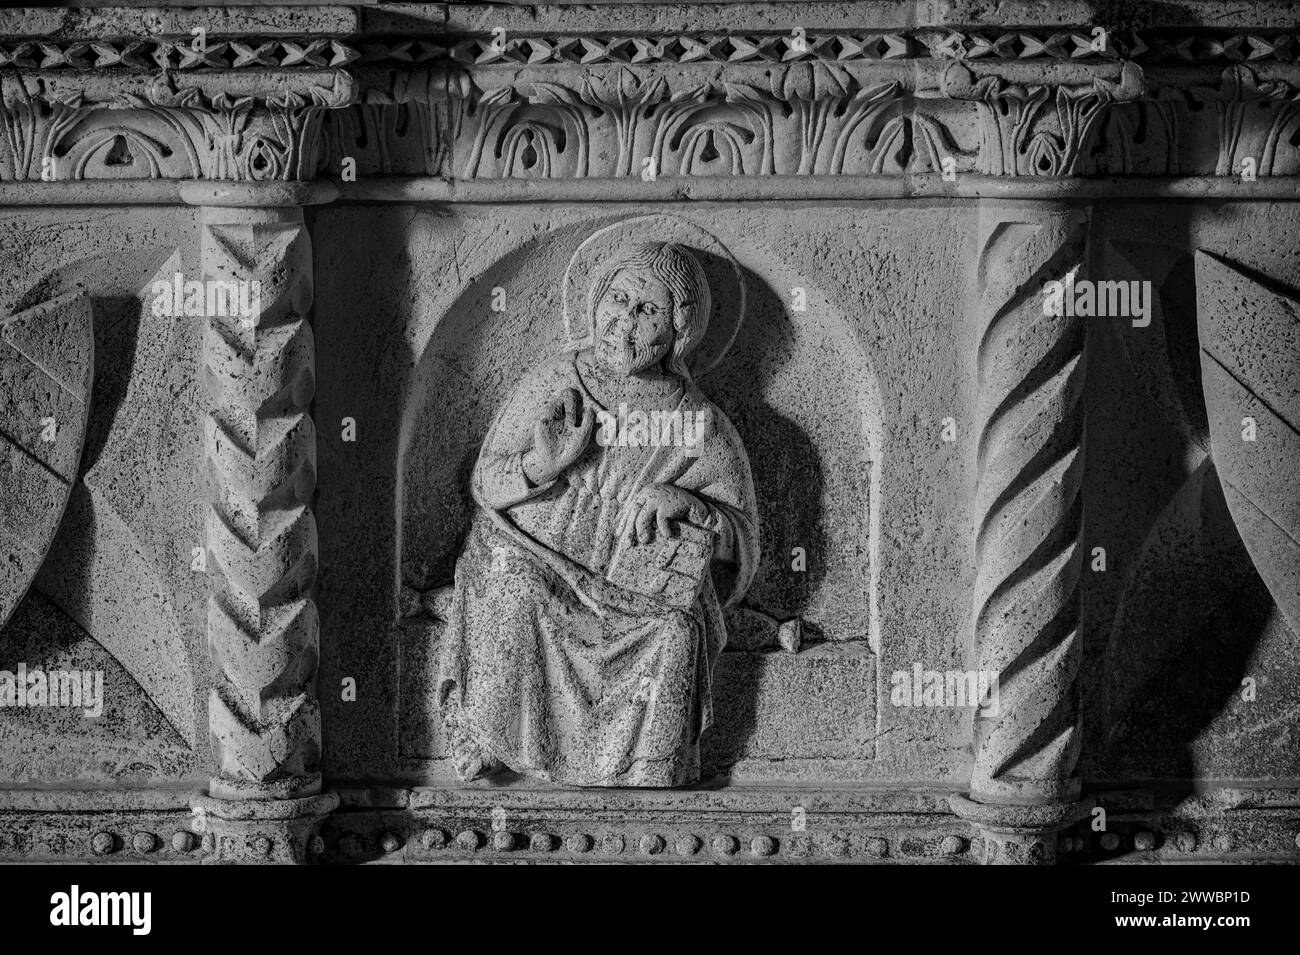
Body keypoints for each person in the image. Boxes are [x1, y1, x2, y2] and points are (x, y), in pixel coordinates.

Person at [436, 241, 759, 787]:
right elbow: (486, 481)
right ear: (595, 302)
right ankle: (489, 732)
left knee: (678, 634)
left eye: (646, 310)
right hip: (539, 562)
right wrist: (540, 465)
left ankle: (648, 767)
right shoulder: (555, 382)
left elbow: (743, 541)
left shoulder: (697, 421)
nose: (623, 322)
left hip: (633, 592)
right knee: (512, 587)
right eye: (617, 299)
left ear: (680, 330)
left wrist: (692, 505)